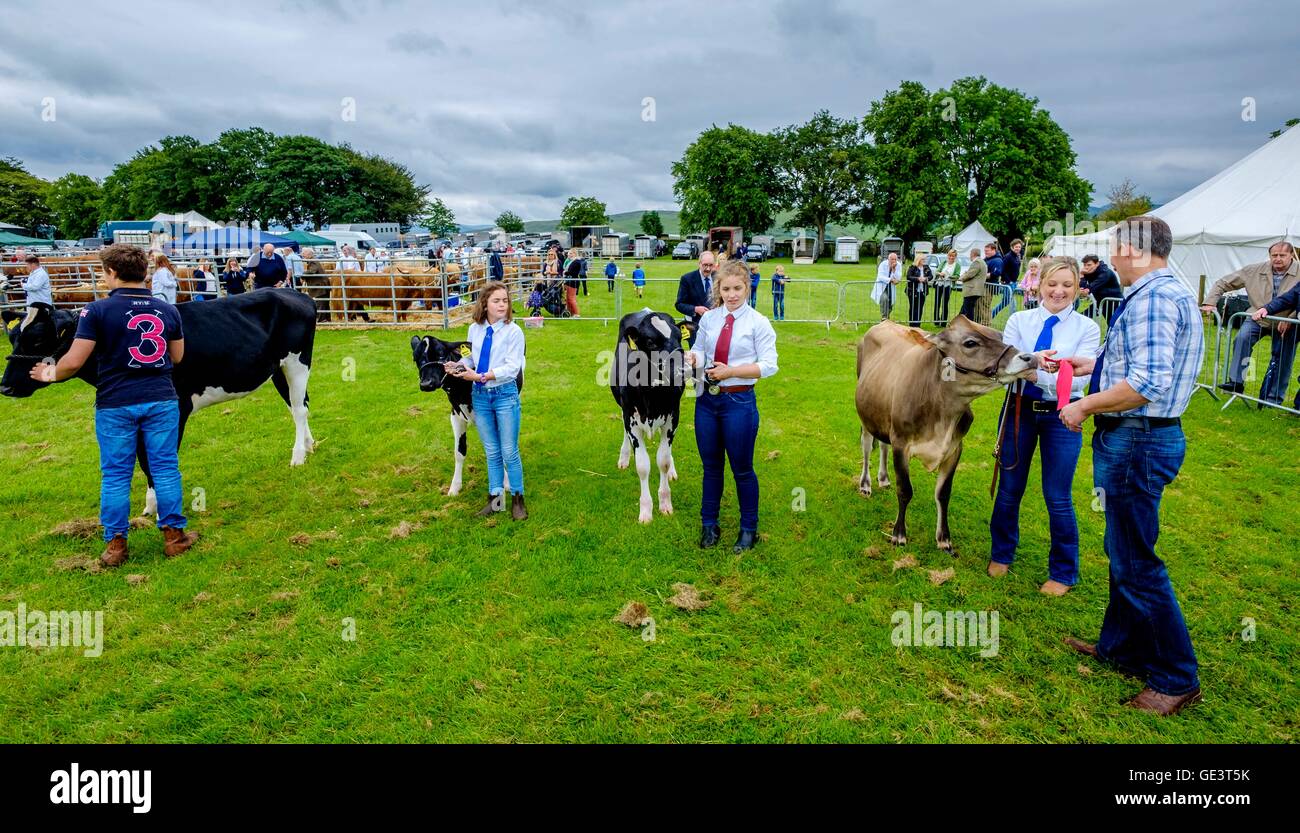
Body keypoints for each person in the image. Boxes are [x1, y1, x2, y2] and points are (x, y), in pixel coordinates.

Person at [1059, 216, 1205, 716]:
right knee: (1124, 549)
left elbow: (1148, 381)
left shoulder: (1154, 298)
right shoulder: (1162, 291)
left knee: (1137, 561)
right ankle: (1120, 647)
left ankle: (1176, 678)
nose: (1110, 256)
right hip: (1141, 438)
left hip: (1137, 440)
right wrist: (1091, 365)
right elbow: (1138, 364)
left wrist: (1083, 405)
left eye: (1115, 246)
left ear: (1130, 249)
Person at [27, 244, 199, 567]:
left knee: (116, 474)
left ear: (112, 272)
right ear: (144, 273)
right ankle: (174, 537)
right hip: (161, 398)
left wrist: (48, 373)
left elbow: (73, 362)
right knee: (165, 467)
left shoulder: (96, 311)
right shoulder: (168, 310)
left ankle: (116, 546)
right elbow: (177, 357)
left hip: (115, 402)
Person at [988, 258, 1101, 594]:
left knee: (1057, 495)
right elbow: (1006, 367)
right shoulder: (1018, 321)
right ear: (1039, 285)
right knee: (1010, 488)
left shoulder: (1087, 328)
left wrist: (1035, 373)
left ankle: (1063, 572)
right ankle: (1001, 553)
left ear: (1078, 288)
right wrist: (1043, 370)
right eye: (1052, 284)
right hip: (1019, 410)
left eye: (1067, 285)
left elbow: (1080, 382)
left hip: (1063, 416)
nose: (1058, 291)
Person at [684, 260, 779, 554]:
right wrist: (693, 358)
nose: (732, 295)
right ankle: (709, 525)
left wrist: (732, 372)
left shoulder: (758, 323)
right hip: (707, 400)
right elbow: (699, 349)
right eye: (726, 289)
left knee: (742, 468)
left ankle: (748, 528)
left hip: (739, 402)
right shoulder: (710, 319)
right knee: (711, 467)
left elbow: (769, 365)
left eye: (738, 288)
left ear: (747, 287)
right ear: (719, 289)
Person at [444, 281, 527, 521]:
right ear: (484, 304)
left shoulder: (514, 332)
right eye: (496, 301)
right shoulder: (475, 329)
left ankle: (518, 500)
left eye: (505, 300)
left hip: (504, 394)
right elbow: (471, 358)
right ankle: (496, 500)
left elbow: (512, 368)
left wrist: (480, 377)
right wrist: (459, 366)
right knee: (491, 451)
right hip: (480, 397)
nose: (502, 305)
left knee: (509, 451)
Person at [1203, 241, 1299, 404]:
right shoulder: (1253, 270)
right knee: (1242, 338)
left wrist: (1292, 317)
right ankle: (1236, 382)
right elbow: (1223, 282)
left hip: (1286, 321)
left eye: (1282, 255)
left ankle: (1273, 398)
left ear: (1292, 255)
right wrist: (1210, 302)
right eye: (1274, 255)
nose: (1277, 259)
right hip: (1257, 316)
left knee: (1283, 357)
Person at [674, 251, 717, 346]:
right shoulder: (687, 279)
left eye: (711, 265)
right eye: (705, 265)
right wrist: (695, 309)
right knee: (697, 354)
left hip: (715, 326)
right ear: (699, 263)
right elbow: (679, 304)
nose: (708, 268)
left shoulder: (719, 277)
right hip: (695, 327)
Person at [1079, 254, 1122, 320]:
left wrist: (1086, 289)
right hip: (1100, 302)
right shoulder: (1088, 272)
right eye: (1085, 265)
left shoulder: (1105, 272)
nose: (1086, 267)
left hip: (1114, 303)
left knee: (1114, 323)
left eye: (1089, 265)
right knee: (1082, 318)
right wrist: (1082, 276)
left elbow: (1090, 288)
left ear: (1097, 264)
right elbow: (1084, 289)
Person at [994, 239, 1022, 318]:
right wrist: (1008, 281)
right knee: (1007, 302)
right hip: (1008, 283)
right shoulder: (1008, 256)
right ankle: (992, 313)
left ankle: (1013, 318)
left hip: (1014, 282)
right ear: (1012, 247)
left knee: (1010, 302)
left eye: (1019, 247)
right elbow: (1002, 270)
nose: (1018, 248)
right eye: (1016, 247)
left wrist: (1015, 279)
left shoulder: (1017, 256)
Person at [959, 248, 988, 323]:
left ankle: (969, 326)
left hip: (972, 290)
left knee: (968, 312)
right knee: (964, 310)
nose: (969, 256)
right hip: (975, 290)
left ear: (973, 254)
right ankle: (959, 324)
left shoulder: (977, 262)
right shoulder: (982, 262)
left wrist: (961, 278)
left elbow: (969, 274)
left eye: (970, 254)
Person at [933, 250, 960, 325]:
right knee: (937, 302)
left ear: (955, 257)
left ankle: (943, 321)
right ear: (948, 256)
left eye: (953, 256)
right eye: (950, 256)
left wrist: (949, 276)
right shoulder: (944, 263)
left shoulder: (957, 265)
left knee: (945, 303)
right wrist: (940, 274)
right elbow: (937, 271)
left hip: (948, 285)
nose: (951, 257)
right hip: (939, 284)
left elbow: (957, 276)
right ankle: (936, 320)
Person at [905, 254, 932, 327]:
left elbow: (931, 276)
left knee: (920, 308)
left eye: (924, 259)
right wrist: (917, 279)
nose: (924, 261)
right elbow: (908, 276)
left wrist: (926, 279)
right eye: (923, 259)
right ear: (918, 260)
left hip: (922, 291)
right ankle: (912, 324)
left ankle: (917, 324)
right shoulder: (912, 267)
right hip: (913, 291)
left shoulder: (926, 267)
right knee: (913, 307)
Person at [873, 252, 902, 320]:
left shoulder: (898, 265)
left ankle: (887, 317)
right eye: (892, 259)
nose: (894, 261)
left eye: (895, 259)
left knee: (890, 303)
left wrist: (894, 270)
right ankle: (884, 318)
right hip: (882, 286)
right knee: (884, 299)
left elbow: (898, 278)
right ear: (888, 259)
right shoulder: (883, 264)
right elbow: (880, 276)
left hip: (891, 287)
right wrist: (890, 279)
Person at [983, 243, 1005, 321]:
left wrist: (982, 276)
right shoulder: (986, 259)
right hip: (984, 286)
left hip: (989, 288)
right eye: (985, 251)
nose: (985, 252)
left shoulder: (997, 261)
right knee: (982, 306)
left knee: (985, 306)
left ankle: (986, 323)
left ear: (993, 250)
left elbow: (997, 273)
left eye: (987, 251)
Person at [562, 247, 582, 317]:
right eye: (569, 253)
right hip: (569, 281)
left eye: (571, 253)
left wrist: (565, 272)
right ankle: (570, 312)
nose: (569, 255)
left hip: (573, 282)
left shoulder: (576, 262)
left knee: (571, 298)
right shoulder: (572, 261)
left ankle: (576, 313)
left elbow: (572, 272)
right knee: (568, 298)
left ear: (575, 254)